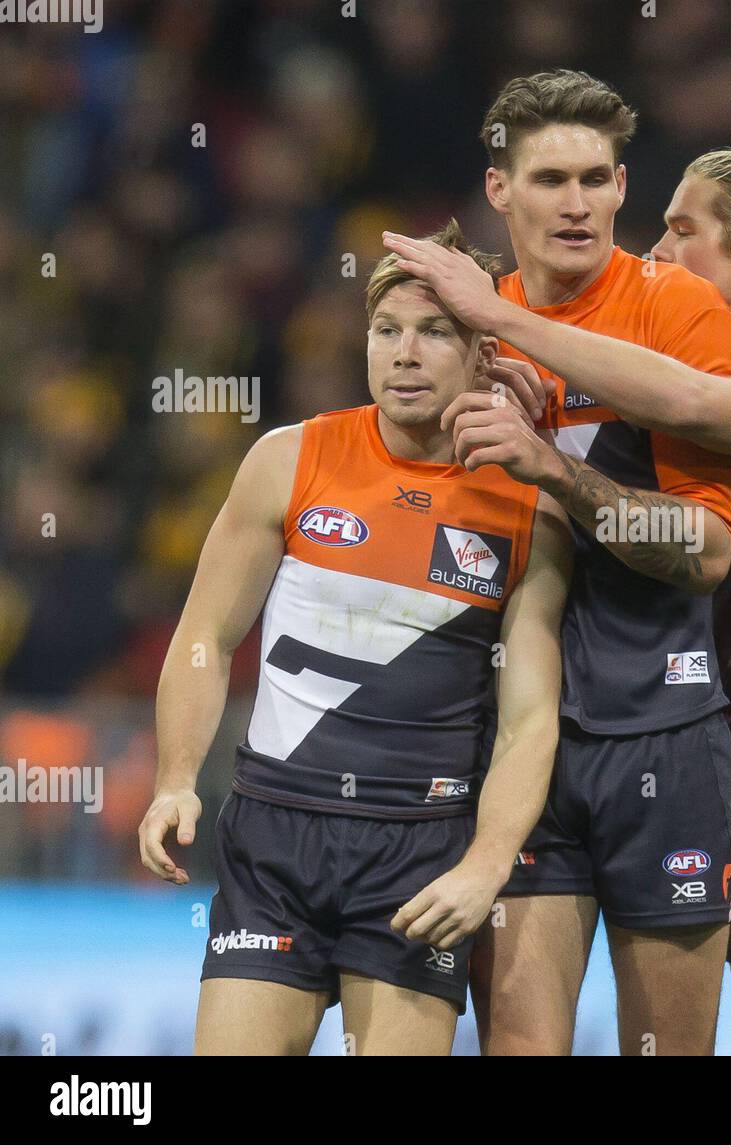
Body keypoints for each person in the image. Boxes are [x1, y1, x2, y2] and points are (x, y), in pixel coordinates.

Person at [392, 146, 731, 1054]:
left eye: (682, 230)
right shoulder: (650, 355)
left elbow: (696, 403)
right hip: (684, 732)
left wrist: (498, 313)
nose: (652, 250)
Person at [385, 69, 731, 1056]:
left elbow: (705, 550)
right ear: (500, 190)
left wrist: (551, 468)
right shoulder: (457, 329)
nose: (577, 204)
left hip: (662, 735)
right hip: (511, 746)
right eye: (550, 178)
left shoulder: (679, 312)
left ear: (626, 186)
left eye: (596, 178)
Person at [137, 221, 571, 1056]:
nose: (406, 353)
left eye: (436, 332)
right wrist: (176, 779)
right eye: (387, 331)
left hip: (418, 850)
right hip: (275, 833)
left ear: (484, 351)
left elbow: (529, 720)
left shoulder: (529, 507)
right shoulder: (288, 458)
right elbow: (204, 635)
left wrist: (484, 865)